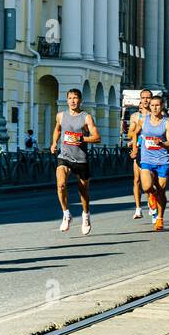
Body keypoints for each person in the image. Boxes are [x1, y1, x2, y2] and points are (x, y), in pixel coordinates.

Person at [51, 88, 101, 234]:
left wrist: (81, 138)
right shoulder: (61, 116)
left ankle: (86, 215)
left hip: (80, 159)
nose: (73, 101)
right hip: (64, 157)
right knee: (60, 185)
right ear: (67, 100)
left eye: (75, 98)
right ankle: (66, 214)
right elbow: (58, 129)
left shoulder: (86, 117)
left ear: (80, 100)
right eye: (70, 98)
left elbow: (97, 137)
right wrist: (54, 143)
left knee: (83, 191)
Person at [138, 93, 169, 231]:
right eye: (152, 105)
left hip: (162, 160)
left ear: (162, 106)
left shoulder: (167, 122)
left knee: (161, 191)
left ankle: (160, 218)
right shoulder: (144, 120)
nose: (154, 108)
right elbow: (135, 133)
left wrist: (163, 144)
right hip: (147, 159)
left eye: (157, 105)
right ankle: (151, 197)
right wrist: (134, 145)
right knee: (147, 187)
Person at [127, 89, 156, 220]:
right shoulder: (135, 117)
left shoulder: (157, 115)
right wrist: (133, 143)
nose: (145, 100)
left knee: (150, 181)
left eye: (148, 97)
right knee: (137, 180)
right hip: (139, 149)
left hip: (153, 151)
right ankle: (138, 208)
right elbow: (130, 133)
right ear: (140, 99)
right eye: (143, 97)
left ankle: (151, 203)